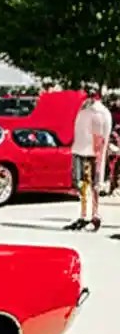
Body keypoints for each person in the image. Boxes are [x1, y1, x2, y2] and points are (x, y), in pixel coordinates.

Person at [65, 91, 112, 232]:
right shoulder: (87, 110)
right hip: (82, 151)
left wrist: (98, 160)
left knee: (92, 185)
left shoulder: (97, 112)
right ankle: (85, 216)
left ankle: (93, 216)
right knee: (84, 186)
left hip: (89, 154)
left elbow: (98, 138)